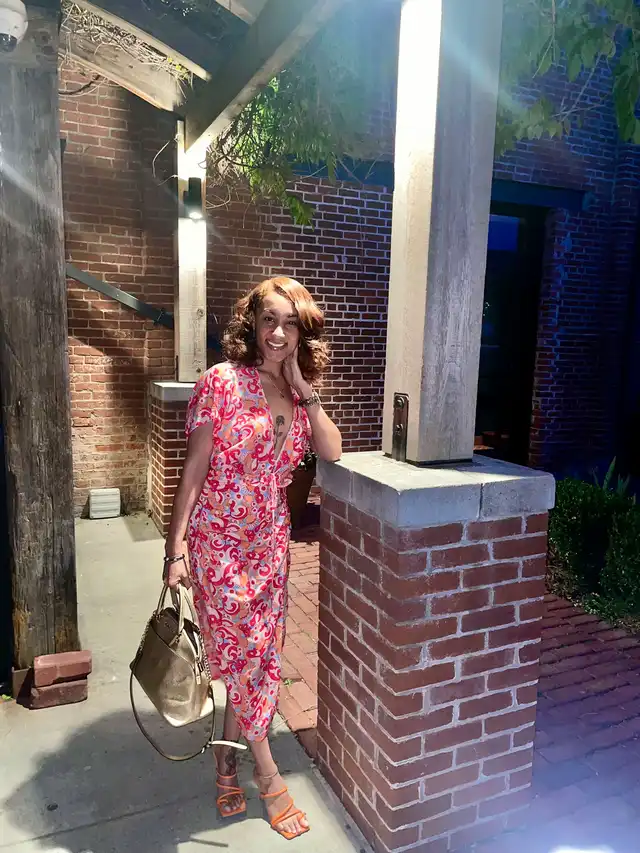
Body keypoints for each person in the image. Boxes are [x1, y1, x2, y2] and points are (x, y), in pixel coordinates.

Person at [163, 276, 342, 840]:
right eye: (270, 320)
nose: (278, 333)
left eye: (291, 324)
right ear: (252, 324)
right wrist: (174, 549)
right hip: (218, 538)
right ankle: (268, 776)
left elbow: (332, 452)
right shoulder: (222, 382)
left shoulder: (297, 392)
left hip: (269, 541)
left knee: (258, 653)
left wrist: (300, 384)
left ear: (302, 332)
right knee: (243, 653)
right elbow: (194, 470)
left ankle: (225, 761)